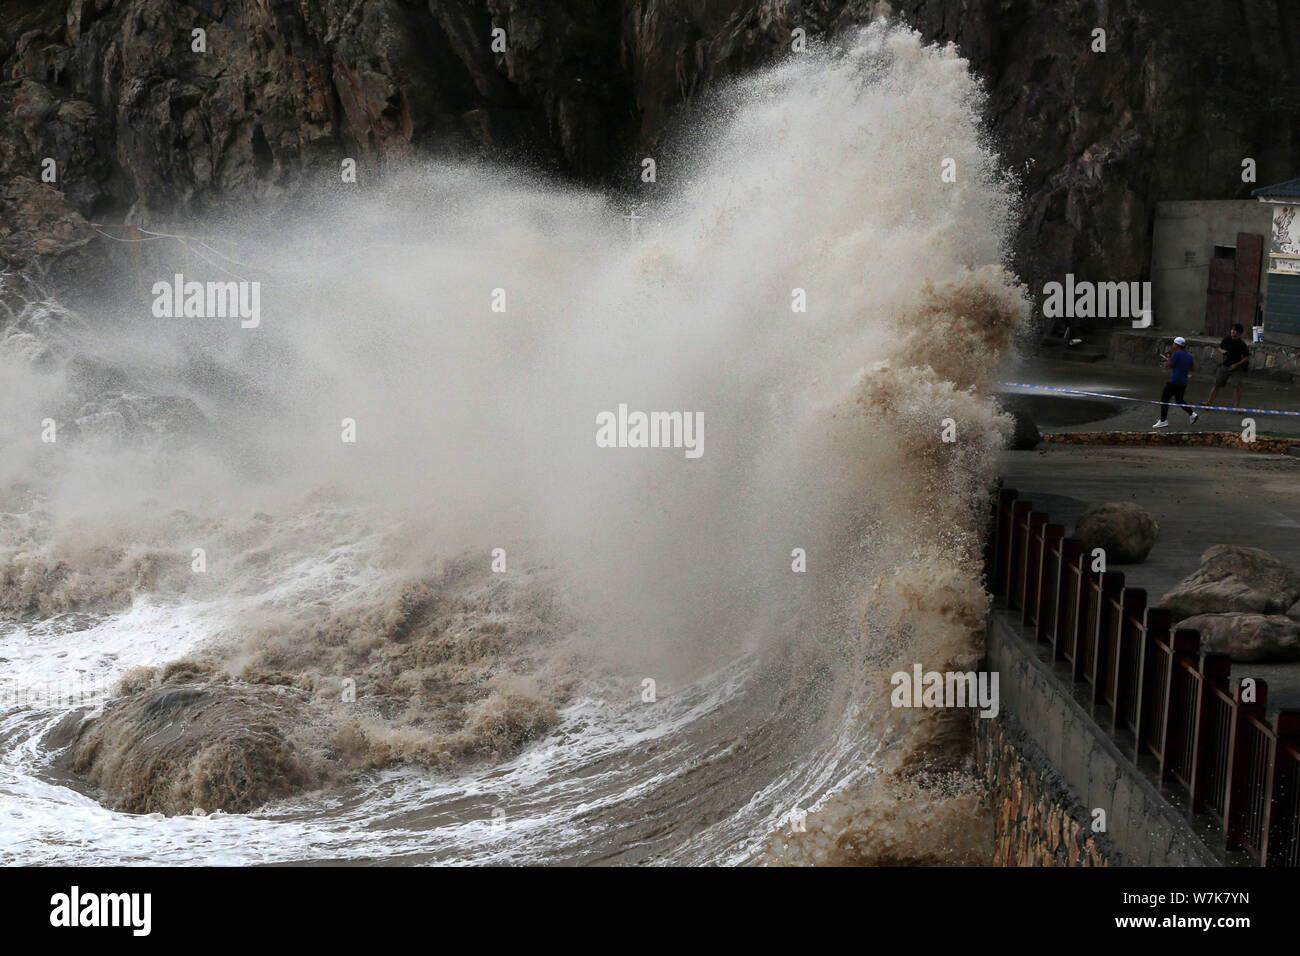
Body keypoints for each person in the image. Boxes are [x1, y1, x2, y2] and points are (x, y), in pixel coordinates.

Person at [1153, 336, 1198, 428]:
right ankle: (1192, 414)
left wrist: (1169, 357)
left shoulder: (1176, 354)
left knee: (1165, 399)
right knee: (1179, 400)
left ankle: (1163, 420)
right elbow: (1192, 368)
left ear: (1176, 344)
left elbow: (1170, 365)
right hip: (1183, 382)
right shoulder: (1189, 356)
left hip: (1174, 381)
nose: (1173, 345)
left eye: (1174, 343)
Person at [1206, 322, 1250, 410]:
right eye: (1232, 329)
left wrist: (1236, 365)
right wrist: (1222, 351)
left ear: (1239, 333)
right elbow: (1219, 347)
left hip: (1238, 368)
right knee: (1217, 384)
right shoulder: (1226, 339)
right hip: (1226, 365)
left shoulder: (1242, 345)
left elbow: (1246, 358)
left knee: (1236, 386)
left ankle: (1236, 407)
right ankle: (1208, 403)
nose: (1233, 331)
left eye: (1235, 330)